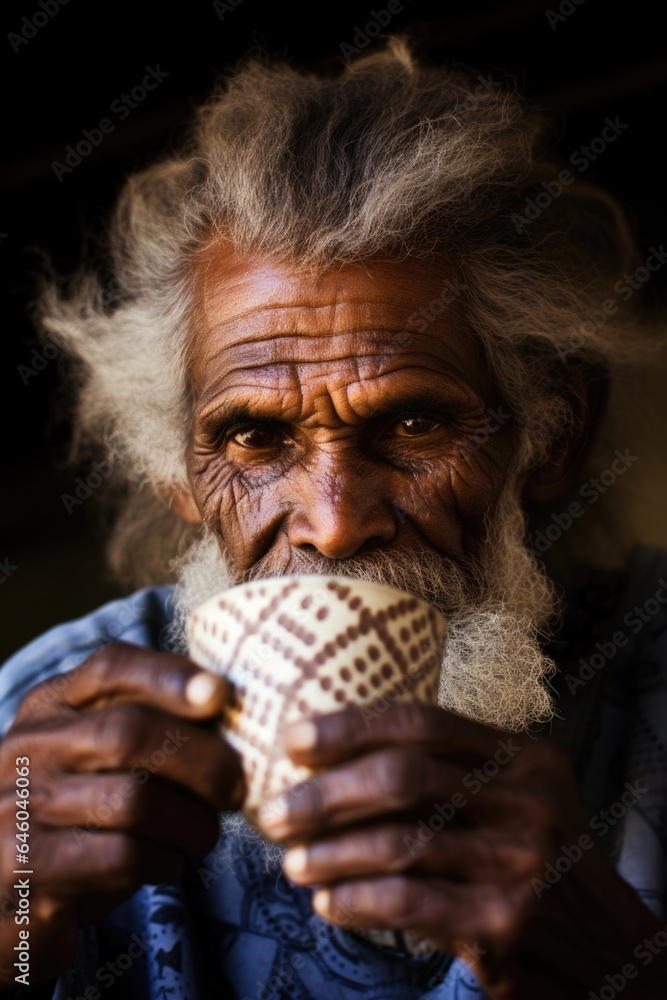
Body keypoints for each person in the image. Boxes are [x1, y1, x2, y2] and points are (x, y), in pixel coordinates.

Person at [1, 37, 667, 999]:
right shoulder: (50, 733)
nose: (333, 522)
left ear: (552, 437)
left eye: (410, 423)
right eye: (255, 439)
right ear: (174, 475)